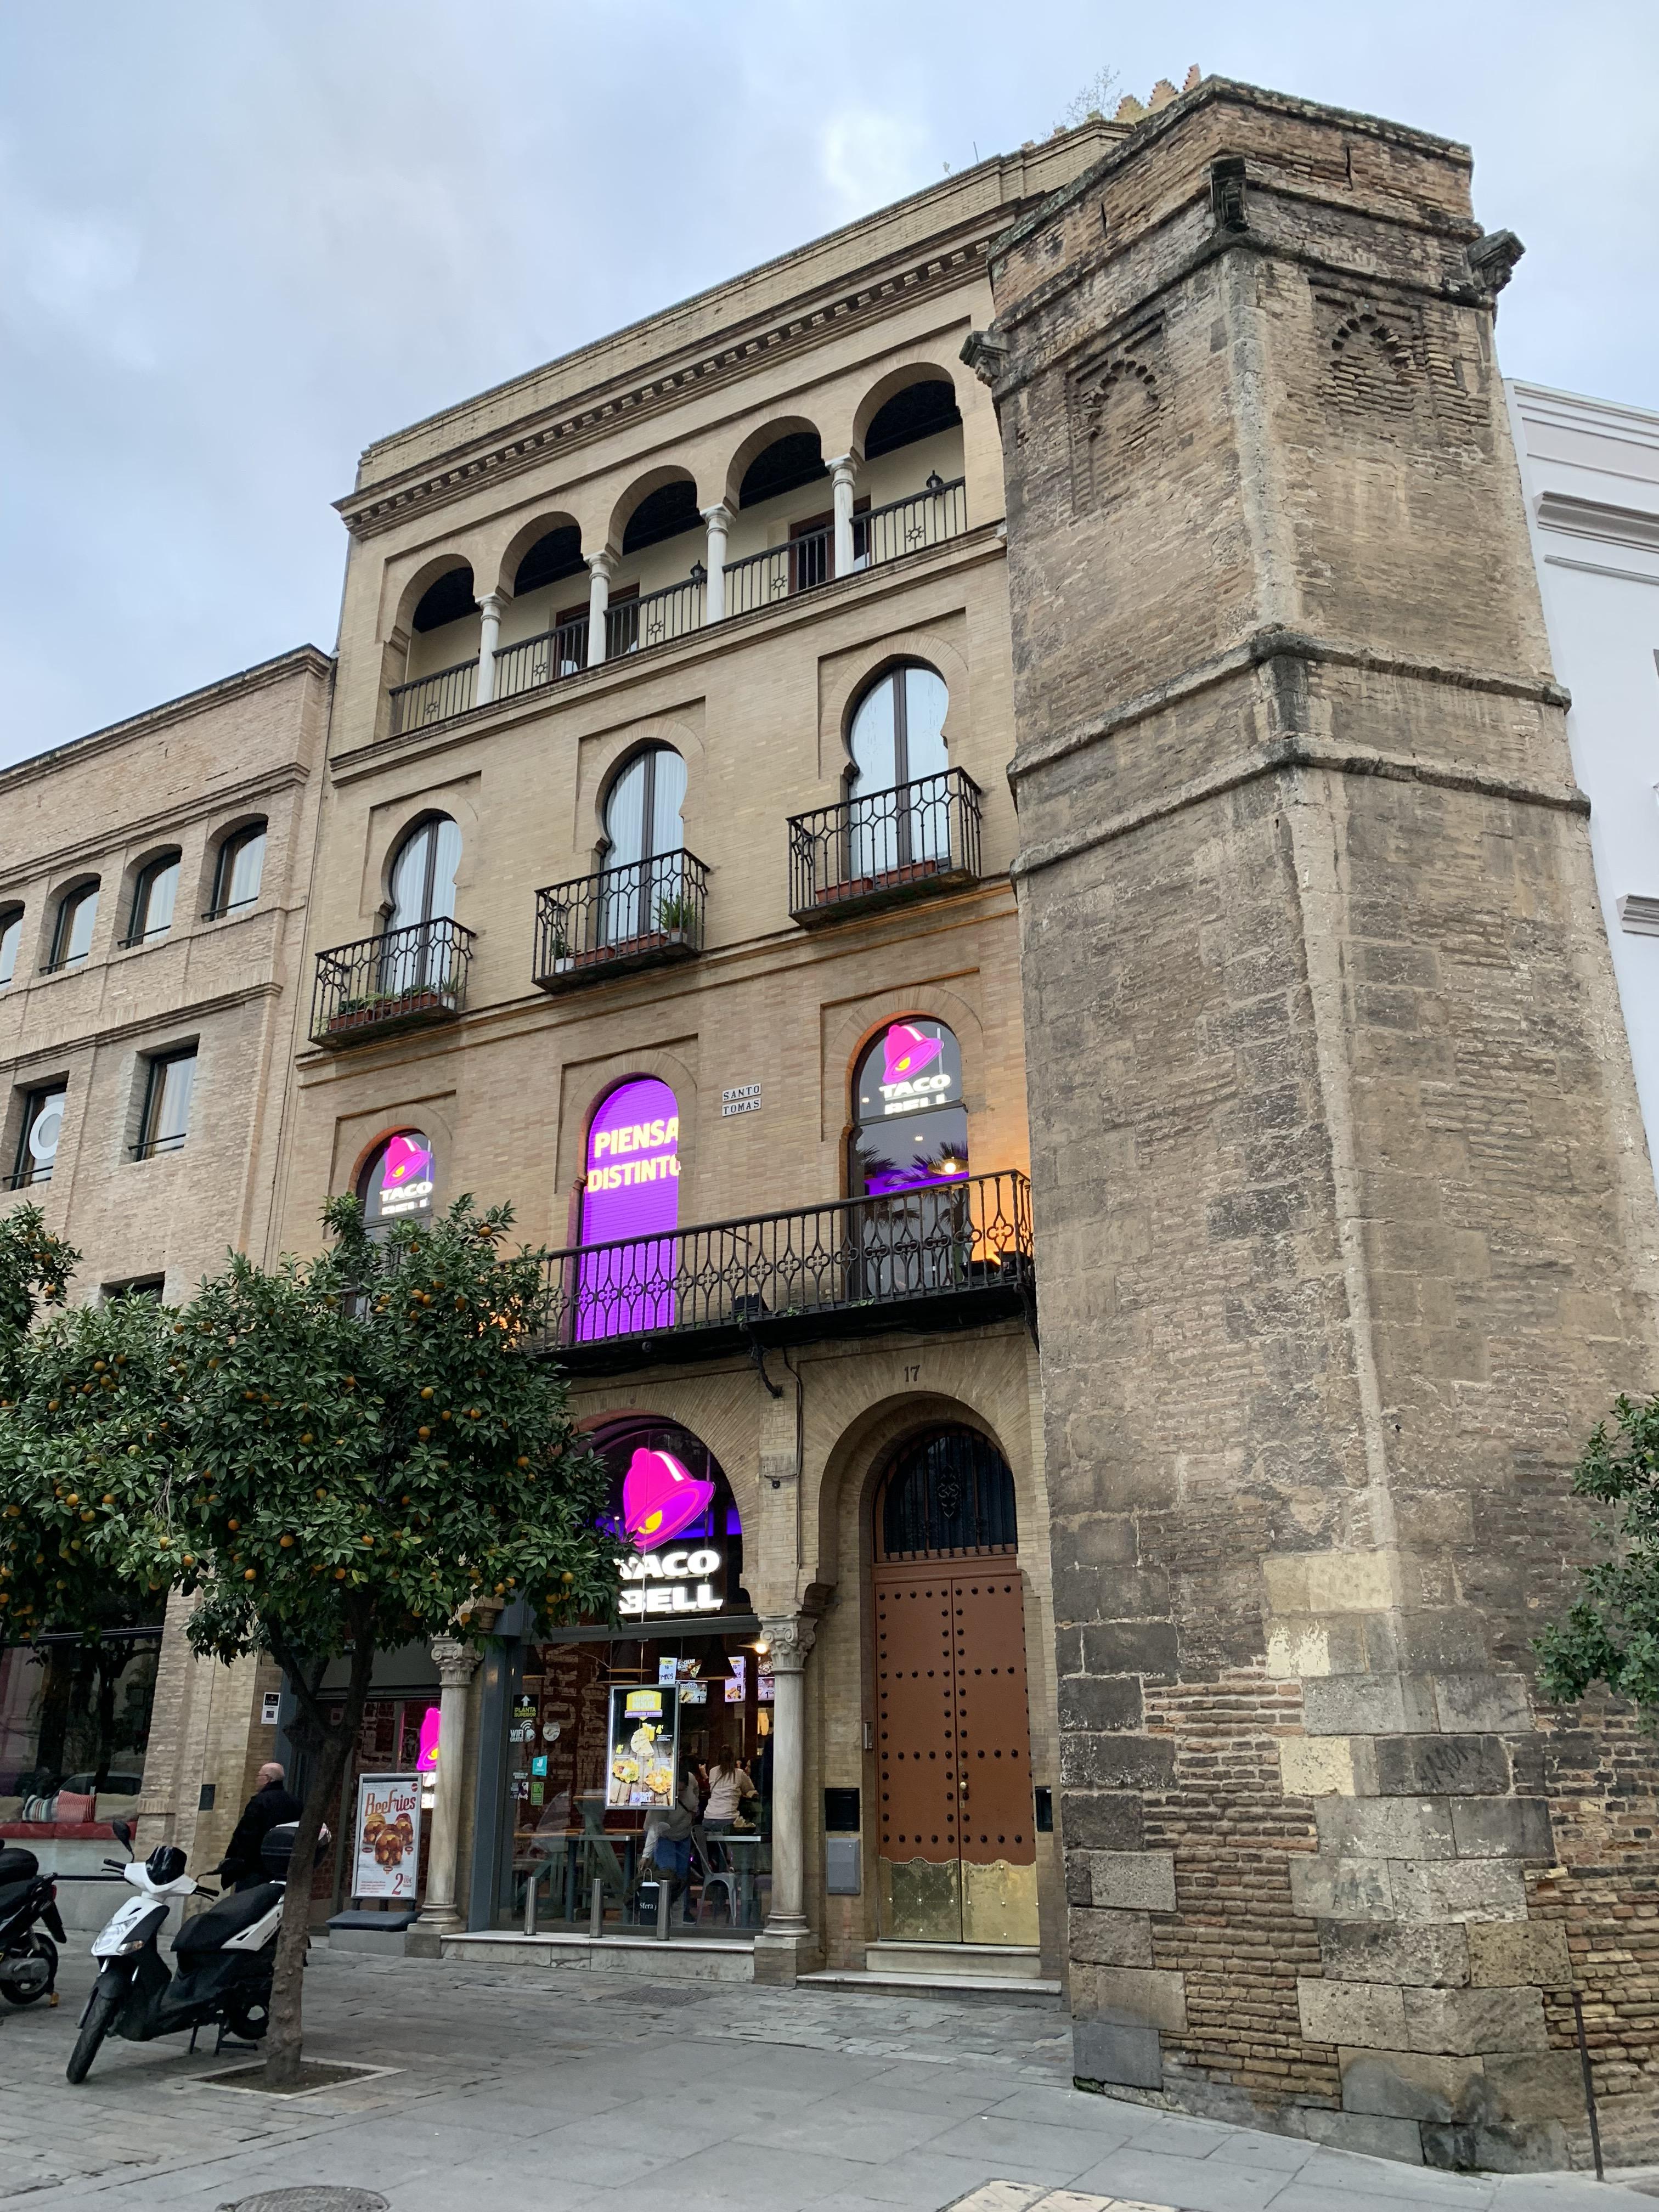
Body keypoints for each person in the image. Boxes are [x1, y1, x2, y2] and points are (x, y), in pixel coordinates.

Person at [218, 1762, 303, 1891]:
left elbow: (246, 1837)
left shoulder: (260, 1802)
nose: (256, 1780)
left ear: (267, 1779)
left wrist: (234, 1865)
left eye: (259, 1776)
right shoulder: (296, 1803)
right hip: (283, 1868)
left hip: (255, 1869)